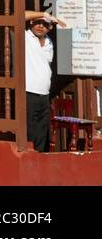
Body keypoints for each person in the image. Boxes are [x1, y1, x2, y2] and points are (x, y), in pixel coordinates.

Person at [24, 10, 68, 153]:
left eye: (45, 24)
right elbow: (19, 15)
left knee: (42, 132)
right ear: (32, 22)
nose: (41, 26)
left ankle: (39, 161)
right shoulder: (26, 36)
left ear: (49, 28)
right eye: (38, 23)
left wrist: (54, 22)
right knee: (30, 131)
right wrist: (43, 14)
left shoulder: (49, 41)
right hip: (28, 92)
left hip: (44, 94)